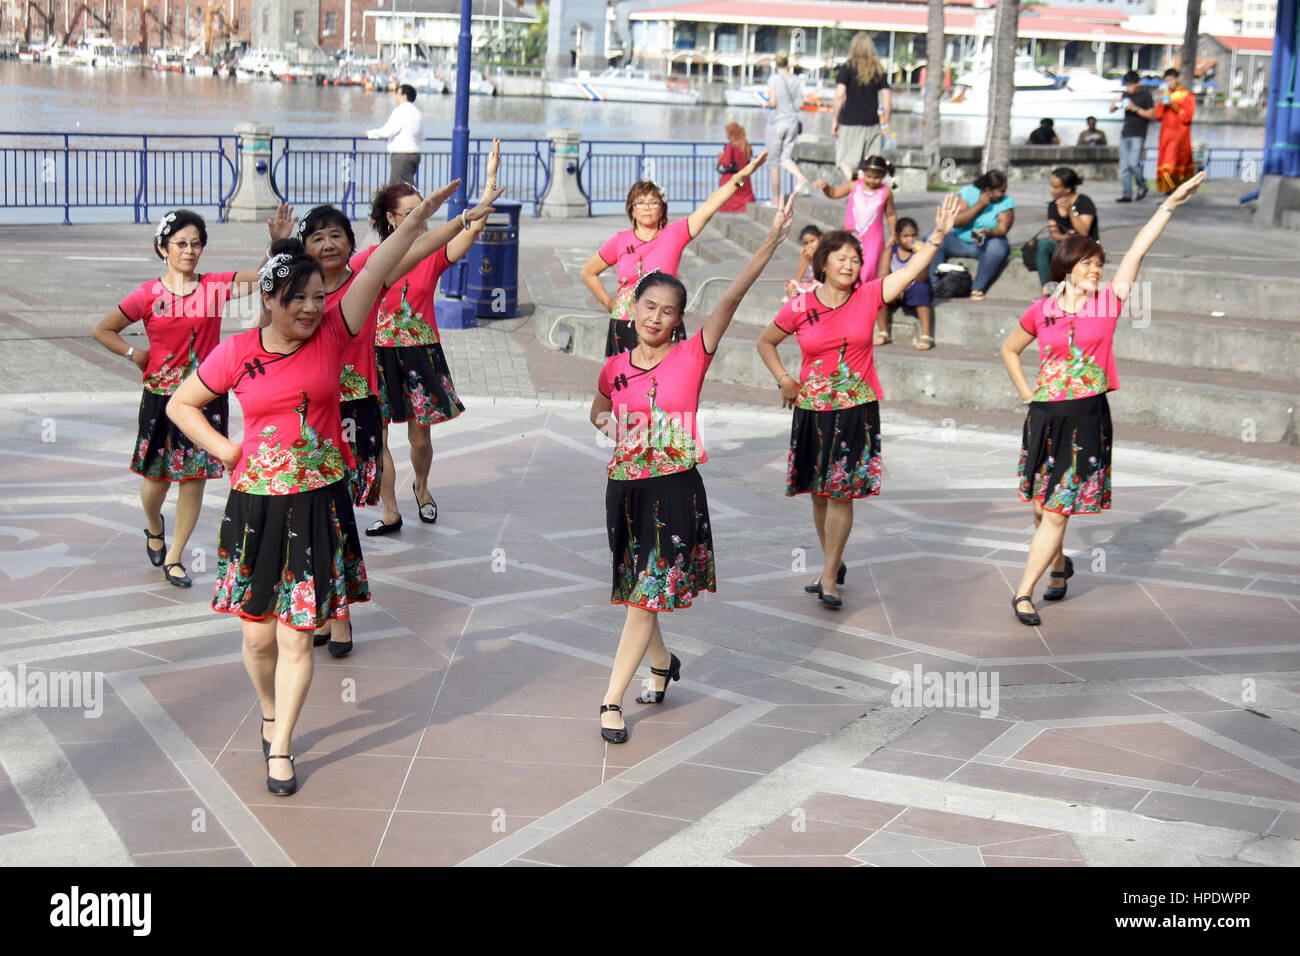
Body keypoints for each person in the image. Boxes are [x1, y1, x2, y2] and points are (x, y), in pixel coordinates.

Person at [165, 189, 449, 795]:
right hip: (253, 506)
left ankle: (283, 744)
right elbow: (181, 403)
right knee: (256, 635)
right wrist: (226, 451)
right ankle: (269, 710)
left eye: (320, 298)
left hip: (315, 502)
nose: (314, 309)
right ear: (270, 301)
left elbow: (376, 268)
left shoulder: (335, 335)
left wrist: (418, 221)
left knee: (298, 634)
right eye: (300, 300)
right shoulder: (237, 352)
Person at [590, 197, 795, 745]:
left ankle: (611, 700)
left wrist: (771, 242)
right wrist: (610, 427)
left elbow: (732, 295)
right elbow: (599, 410)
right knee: (642, 590)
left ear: (680, 319)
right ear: (633, 306)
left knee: (642, 597)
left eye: (668, 311)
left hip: (674, 489)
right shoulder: (615, 364)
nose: (656, 318)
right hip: (623, 489)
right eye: (648, 307)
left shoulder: (693, 354)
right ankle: (661, 664)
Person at [291, 183, 501, 652]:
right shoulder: (295, 289)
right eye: (316, 237)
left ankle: (337, 614)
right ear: (304, 247)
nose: (327, 245)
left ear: (351, 241)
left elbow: (419, 246)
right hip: (307, 415)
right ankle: (327, 608)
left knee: (337, 512)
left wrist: (462, 218)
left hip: (355, 409)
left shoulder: (367, 273)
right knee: (314, 516)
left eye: (335, 236)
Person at [998, 173, 1205, 627]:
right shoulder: (1043, 308)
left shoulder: (1108, 302)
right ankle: (1057, 565)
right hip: (1043, 415)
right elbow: (1010, 349)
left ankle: (1022, 594)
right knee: (1042, 504)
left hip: (1087, 415)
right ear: (1067, 266)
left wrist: (1167, 205)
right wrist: (1026, 392)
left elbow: (1138, 251)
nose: (1097, 270)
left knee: (1056, 508)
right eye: (1089, 264)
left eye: (1100, 264)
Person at [756, 194, 961, 608]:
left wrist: (937, 235)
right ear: (824, 263)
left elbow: (913, 272)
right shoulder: (800, 305)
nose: (849, 265)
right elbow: (766, 342)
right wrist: (783, 379)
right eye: (841, 258)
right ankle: (833, 558)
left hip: (856, 408)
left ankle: (829, 576)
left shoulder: (869, 296)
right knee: (818, 492)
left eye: (855, 259)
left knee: (841, 493)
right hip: (812, 410)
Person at [91, 205, 296, 588]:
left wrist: (276, 245)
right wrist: (134, 354)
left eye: (196, 243)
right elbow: (103, 329)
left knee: (194, 478)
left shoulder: (214, 287)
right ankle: (154, 525)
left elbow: (261, 277)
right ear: (162, 248)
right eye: (181, 243)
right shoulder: (147, 295)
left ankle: (175, 556)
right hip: (160, 399)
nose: (189, 250)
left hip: (204, 398)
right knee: (155, 481)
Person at [365, 142, 505, 535]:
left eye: (424, 211)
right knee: (379, 435)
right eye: (411, 214)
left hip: (420, 353)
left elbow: (471, 228)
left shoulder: (432, 253)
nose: (422, 219)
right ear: (391, 219)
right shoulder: (374, 261)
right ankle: (390, 509)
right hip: (378, 354)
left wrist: (489, 180)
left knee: (419, 438)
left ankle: (422, 487)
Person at [581, 150, 769, 357]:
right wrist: (610, 305)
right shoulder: (620, 240)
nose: (647, 208)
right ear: (631, 209)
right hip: (626, 325)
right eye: (640, 203)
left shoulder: (675, 234)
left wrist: (740, 176)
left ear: (662, 209)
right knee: (627, 385)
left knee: (667, 383)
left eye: (653, 202)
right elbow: (588, 272)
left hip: (664, 325)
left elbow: (708, 207)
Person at [813, 155, 896, 342]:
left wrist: (893, 234)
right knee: (846, 277)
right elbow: (834, 193)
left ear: (883, 176)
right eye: (869, 176)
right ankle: (846, 322)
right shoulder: (854, 185)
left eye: (877, 177)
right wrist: (826, 186)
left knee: (866, 278)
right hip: (850, 242)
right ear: (862, 172)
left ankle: (876, 328)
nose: (872, 181)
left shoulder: (886, 192)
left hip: (873, 243)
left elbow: (891, 214)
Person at [926, 168, 1015, 302]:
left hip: (984, 245)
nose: (1003, 194)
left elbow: (1002, 229)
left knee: (998, 247)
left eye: (1004, 190)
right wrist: (978, 206)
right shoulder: (968, 193)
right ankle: (935, 284)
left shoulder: (1006, 202)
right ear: (988, 189)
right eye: (1000, 191)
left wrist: (988, 231)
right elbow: (955, 222)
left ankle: (978, 287)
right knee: (931, 238)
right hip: (958, 241)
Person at [832, 32, 892, 181]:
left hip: (851, 122)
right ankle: (865, 191)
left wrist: (834, 119)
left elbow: (840, 95)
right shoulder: (878, 70)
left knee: (844, 161)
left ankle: (855, 186)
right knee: (870, 163)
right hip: (872, 122)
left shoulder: (847, 68)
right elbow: (887, 96)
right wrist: (886, 121)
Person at [1036, 168, 1098, 289]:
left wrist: (1071, 211)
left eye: (1056, 187)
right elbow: (1054, 233)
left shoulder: (1084, 202)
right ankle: (1048, 290)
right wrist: (1069, 237)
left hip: (1085, 248)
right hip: (1063, 246)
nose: (1051, 190)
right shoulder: (1053, 205)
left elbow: (1084, 232)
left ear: (1068, 188)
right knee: (1043, 245)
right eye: (1051, 186)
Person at [764, 50, 809, 206]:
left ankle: (775, 199)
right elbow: (800, 104)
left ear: (776, 62)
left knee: (774, 162)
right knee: (785, 158)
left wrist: (765, 102)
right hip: (793, 122)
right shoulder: (796, 80)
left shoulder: (774, 79)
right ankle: (800, 177)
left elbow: (773, 102)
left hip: (777, 123)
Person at [886, 218, 935, 350]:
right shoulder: (891, 251)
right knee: (879, 291)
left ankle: (926, 334)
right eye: (906, 236)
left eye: (914, 235)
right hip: (896, 289)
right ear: (897, 237)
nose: (911, 239)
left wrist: (921, 255)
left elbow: (923, 277)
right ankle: (883, 332)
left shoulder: (920, 251)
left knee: (922, 289)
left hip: (914, 287)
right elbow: (882, 274)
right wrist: (895, 287)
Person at [367, 84, 424, 186]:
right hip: (415, 154)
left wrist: (371, 133)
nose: (396, 97)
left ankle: (416, 202)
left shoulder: (400, 111)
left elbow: (389, 131)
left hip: (402, 156)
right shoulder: (418, 113)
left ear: (404, 96)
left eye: (398, 94)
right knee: (399, 187)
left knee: (400, 188)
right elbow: (422, 135)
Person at [1110, 71, 1153, 202]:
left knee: (1134, 163)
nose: (1129, 88)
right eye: (1127, 85)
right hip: (1125, 133)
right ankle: (1127, 194)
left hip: (1138, 134)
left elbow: (1151, 115)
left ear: (1137, 83)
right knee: (1124, 166)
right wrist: (1116, 102)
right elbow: (1111, 110)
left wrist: (1135, 108)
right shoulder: (1125, 95)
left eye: (1131, 85)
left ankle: (1142, 185)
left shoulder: (1146, 96)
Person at [1154, 67, 1196, 194]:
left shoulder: (1187, 96)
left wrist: (1173, 105)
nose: (1169, 83)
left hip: (1180, 136)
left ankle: (1177, 188)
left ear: (1176, 79)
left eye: (1171, 80)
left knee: (1177, 161)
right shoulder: (1166, 95)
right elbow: (1158, 116)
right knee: (1166, 161)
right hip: (1166, 135)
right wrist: (1162, 103)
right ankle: (1168, 189)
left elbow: (1187, 117)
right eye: (1167, 81)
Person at [717, 122, 755, 212]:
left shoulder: (731, 146)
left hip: (732, 179)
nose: (726, 135)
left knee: (728, 197)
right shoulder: (745, 145)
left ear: (731, 133)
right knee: (744, 196)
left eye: (727, 132)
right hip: (744, 179)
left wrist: (720, 157)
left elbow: (726, 162)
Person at [784, 224, 823, 302]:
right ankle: (796, 310)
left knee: (817, 289)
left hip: (822, 283)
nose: (809, 245)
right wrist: (806, 260)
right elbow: (798, 278)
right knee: (792, 286)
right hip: (810, 282)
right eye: (806, 243)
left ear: (820, 238)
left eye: (812, 241)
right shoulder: (805, 255)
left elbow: (822, 275)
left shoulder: (825, 253)